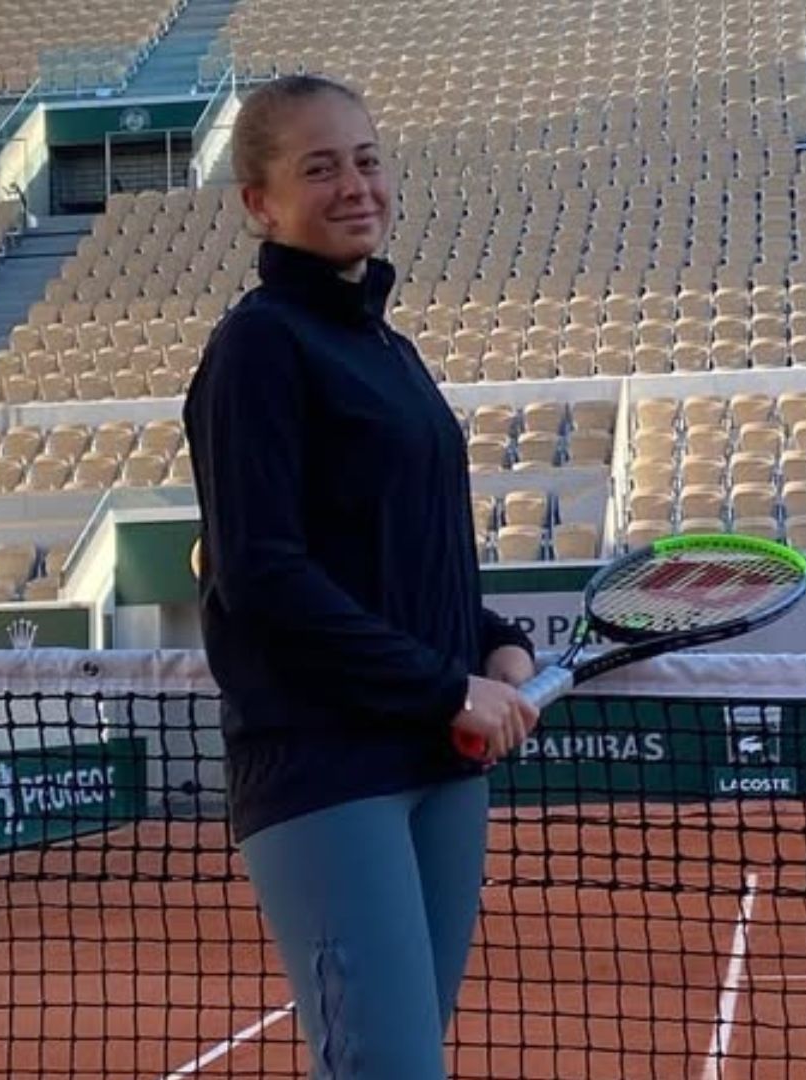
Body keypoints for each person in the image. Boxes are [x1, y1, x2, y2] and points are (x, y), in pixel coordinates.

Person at [181, 74, 543, 1079]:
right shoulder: (256, 347)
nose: (356, 186)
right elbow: (261, 574)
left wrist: (491, 638)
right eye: (320, 166)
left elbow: (402, 551)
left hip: (440, 763)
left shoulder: (394, 349)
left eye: (368, 159)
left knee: (405, 1059)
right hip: (326, 771)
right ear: (261, 203)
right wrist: (444, 683)